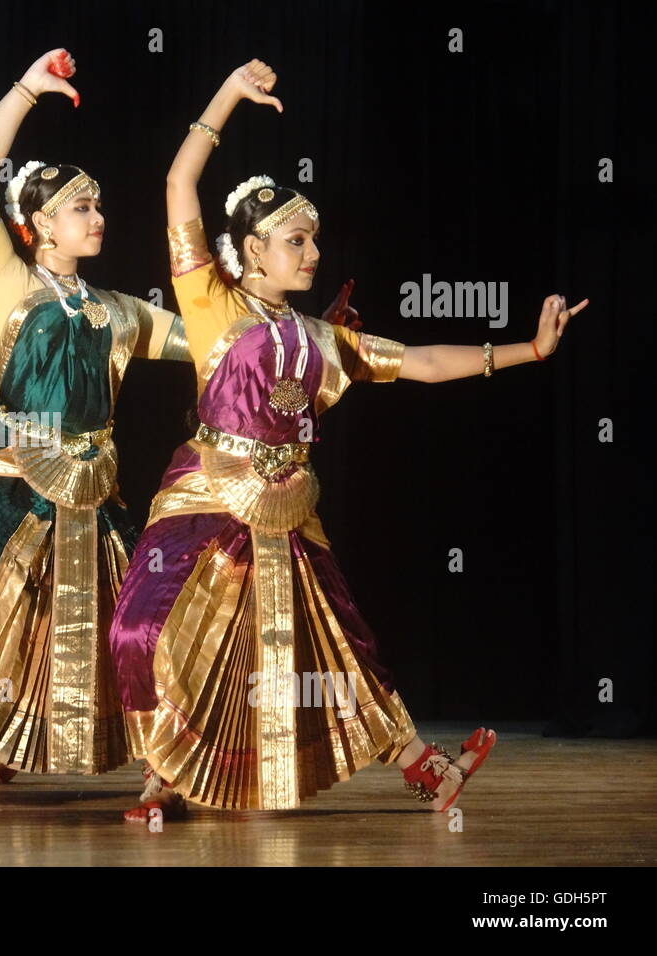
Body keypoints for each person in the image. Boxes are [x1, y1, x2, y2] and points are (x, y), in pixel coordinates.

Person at [111, 59, 585, 819]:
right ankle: (162, 773)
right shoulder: (208, 301)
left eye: (315, 241)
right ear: (253, 249)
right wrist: (229, 96)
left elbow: (424, 363)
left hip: (290, 509)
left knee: (332, 649)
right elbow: (178, 184)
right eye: (297, 241)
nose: (314, 254)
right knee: (145, 627)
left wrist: (527, 350)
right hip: (205, 492)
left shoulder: (325, 341)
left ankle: (427, 768)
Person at [0, 50, 196, 804]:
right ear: (38, 225)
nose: (98, 218)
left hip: (94, 484)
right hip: (9, 472)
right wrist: (28, 88)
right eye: (81, 208)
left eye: (97, 207)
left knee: (135, 624)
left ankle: (163, 768)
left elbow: (211, 340)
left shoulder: (121, 310)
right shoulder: (7, 284)